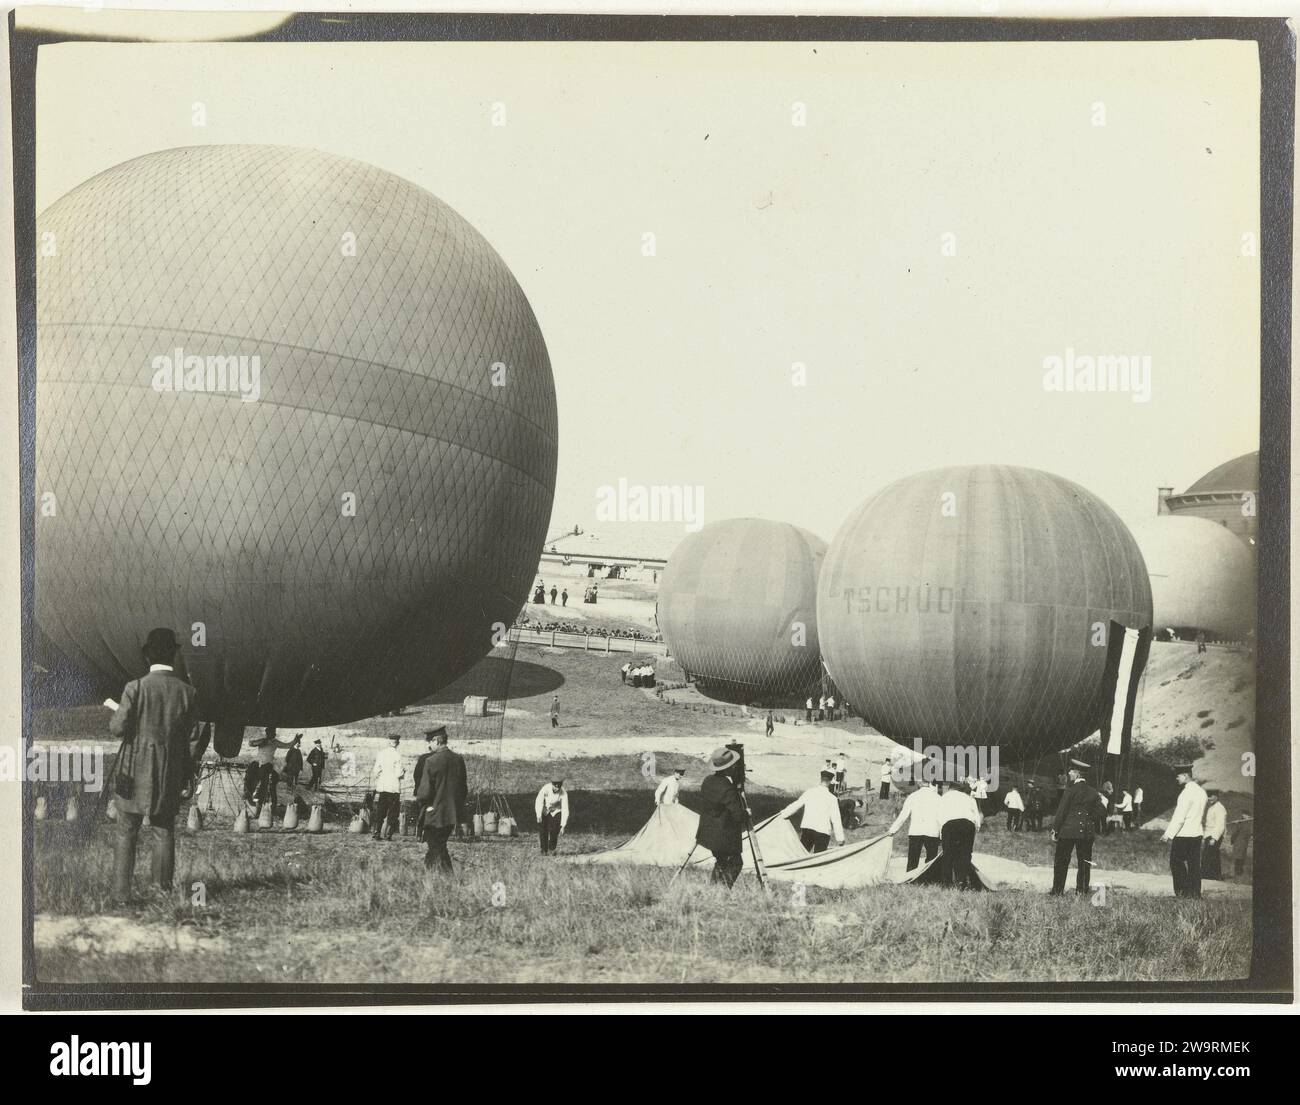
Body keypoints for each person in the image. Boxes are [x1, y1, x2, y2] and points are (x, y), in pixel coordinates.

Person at [108, 628, 199, 904]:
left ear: (148, 655)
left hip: (133, 769)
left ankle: (121, 896)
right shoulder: (188, 693)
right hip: (169, 770)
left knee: (126, 830)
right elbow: (193, 739)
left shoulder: (135, 688)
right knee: (164, 830)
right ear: (173, 654)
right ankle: (162, 894)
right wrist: (186, 770)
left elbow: (117, 728)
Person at [415, 730, 468, 872]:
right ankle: (429, 876)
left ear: (437, 741)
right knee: (438, 845)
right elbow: (463, 789)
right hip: (452, 813)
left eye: (430, 742)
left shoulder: (431, 761)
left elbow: (424, 792)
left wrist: (423, 805)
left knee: (436, 846)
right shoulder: (458, 759)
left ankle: (447, 877)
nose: (429, 745)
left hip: (435, 813)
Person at [696, 747, 747, 888]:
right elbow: (738, 815)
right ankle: (722, 892)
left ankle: (713, 890)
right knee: (736, 863)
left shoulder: (707, 781)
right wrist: (746, 813)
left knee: (721, 862)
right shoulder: (727, 787)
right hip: (724, 837)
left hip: (708, 835)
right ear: (729, 767)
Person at [1050, 766, 1105, 895]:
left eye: (1071, 772)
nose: (1069, 773)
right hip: (1086, 833)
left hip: (1068, 831)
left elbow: (1062, 811)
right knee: (1085, 862)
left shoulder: (1070, 790)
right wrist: (1089, 820)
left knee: (1061, 862)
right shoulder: (1093, 792)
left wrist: (1055, 830)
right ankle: (1081, 892)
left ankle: (1057, 891)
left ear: (1077, 774)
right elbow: (1102, 811)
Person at [1161, 764, 1208, 898]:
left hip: (1183, 834)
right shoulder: (1201, 792)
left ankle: (1182, 893)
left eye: (1178, 776)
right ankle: (1195, 894)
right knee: (1194, 865)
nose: (1176, 778)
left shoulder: (1186, 793)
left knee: (1176, 862)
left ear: (1185, 775)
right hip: (1197, 833)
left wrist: (1168, 834)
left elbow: (1179, 818)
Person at [779, 770, 845, 853]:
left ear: (820, 779)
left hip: (807, 829)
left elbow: (796, 805)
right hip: (823, 832)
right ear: (831, 782)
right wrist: (840, 838)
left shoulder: (809, 792)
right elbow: (836, 819)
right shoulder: (832, 799)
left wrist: (783, 814)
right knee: (819, 860)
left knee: (801, 856)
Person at [889, 779, 943, 870]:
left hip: (916, 831)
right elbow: (942, 817)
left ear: (919, 784)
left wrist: (893, 830)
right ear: (929, 783)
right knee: (931, 859)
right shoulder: (938, 797)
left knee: (913, 859)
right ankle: (930, 879)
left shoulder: (912, 796)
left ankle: (910, 878)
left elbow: (903, 815)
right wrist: (942, 834)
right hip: (932, 831)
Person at [938, 779, 981, 888]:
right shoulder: (968, 798)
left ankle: (947, 883)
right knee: (965, 854)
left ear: (949, 788)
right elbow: (977, 818)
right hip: (968, 825)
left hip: (950, 824)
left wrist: (940, 835)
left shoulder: (945, 797)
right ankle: (962, 881)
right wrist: (975, 829)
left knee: (948, 854)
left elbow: (939, 816)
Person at [248, 727, 296, 816]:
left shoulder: (275, 742)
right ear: (267, 733)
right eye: (271, 733)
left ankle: (266, 808)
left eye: (273, 733)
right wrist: (260, 742)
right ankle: (253, 803)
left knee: (267, 786)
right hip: (258, 765)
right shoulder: (263, 741)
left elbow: (287, 745)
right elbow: (250, 743)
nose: (273, 734)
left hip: (267, 766)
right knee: (253, 783)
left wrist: (295, 740)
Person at [369, 734, 405, 842]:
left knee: (381, 810)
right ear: (397, 743)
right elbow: (399, 773)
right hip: (393, 788)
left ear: (389, 742)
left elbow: (376, 770)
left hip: (383, 786)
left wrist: (381, 777)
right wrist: (403, 773)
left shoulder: (381, 753)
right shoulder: (398, 756)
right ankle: (388, 834)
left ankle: (377, 832)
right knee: (393, 811)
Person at [411, 729, 442, 841]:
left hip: (424, 791)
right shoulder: (438, 759)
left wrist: (420, 787)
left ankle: (419, 834)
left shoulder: (423, 758)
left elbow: (416, 775)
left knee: (422, 812)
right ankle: (427, 834)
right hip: (435, 792)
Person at [535, 777, 570, 855]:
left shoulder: (563, 793)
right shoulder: (545, 788)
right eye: (555, 785)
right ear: (552, 784)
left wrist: (563, 825)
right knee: (543, 830)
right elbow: (539, 801)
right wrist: (538, 815)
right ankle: (544, 850)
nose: (557, 788)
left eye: (559, 786)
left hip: (556, 811)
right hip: (545, 811)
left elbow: (565, 808)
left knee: (555, 830)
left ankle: (552, 848)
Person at [1202, 791, 1227, 881]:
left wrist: (1214, 838)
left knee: (1210, 855)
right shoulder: (1211, 807)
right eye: (1208, 797)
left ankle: (1211, 876)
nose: (1209, 798)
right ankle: (1212, 876)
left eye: (1211, 796)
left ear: (1216, 797)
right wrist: (1205, 836)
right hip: (1209, 834)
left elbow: (1220, 825)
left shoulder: (1220, 808)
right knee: (1210, 855)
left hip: (1215, 835)